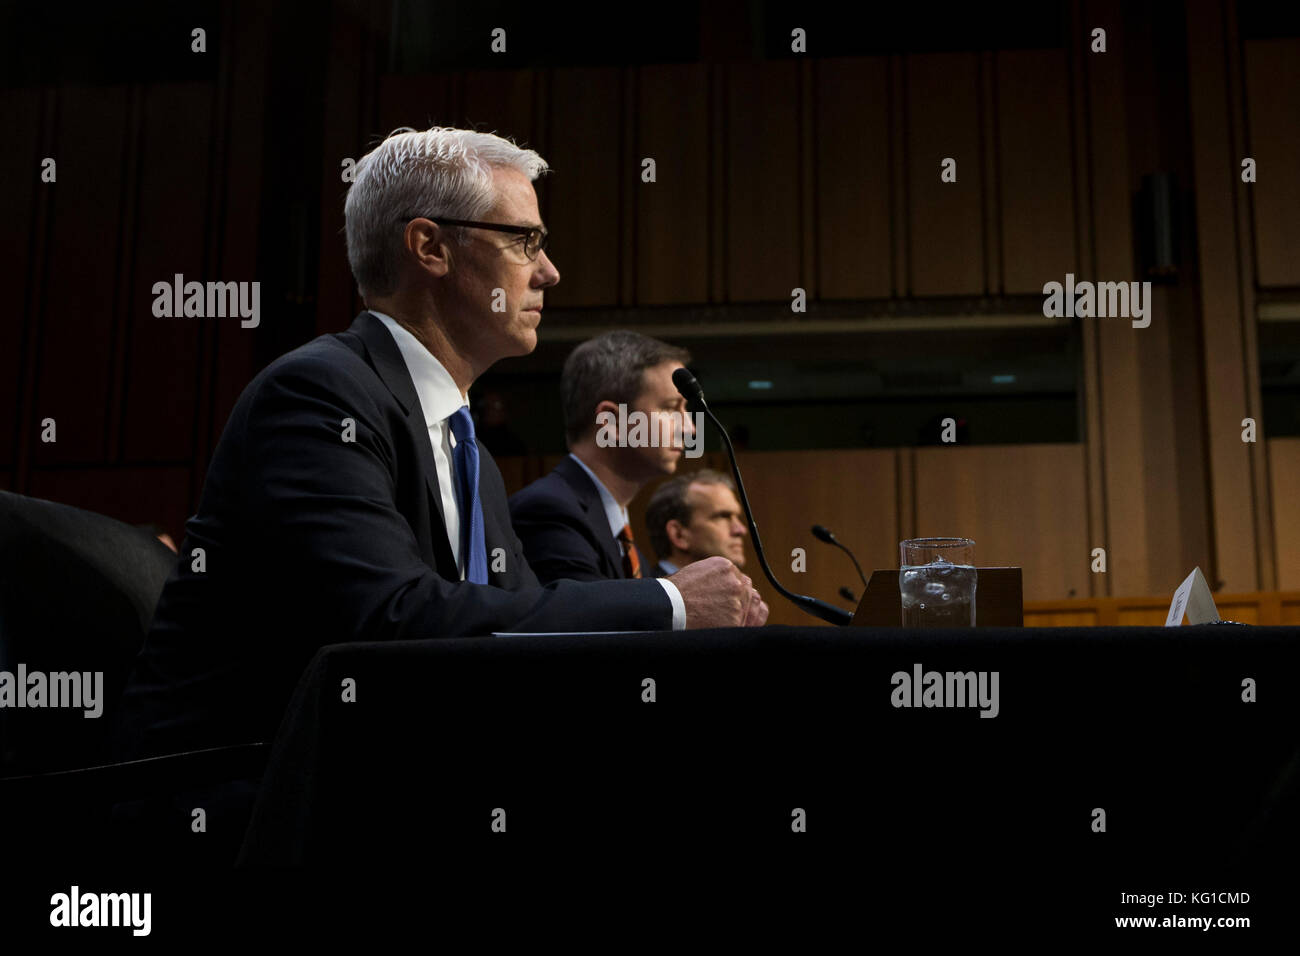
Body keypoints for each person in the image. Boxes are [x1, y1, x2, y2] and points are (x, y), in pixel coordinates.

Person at [108, 127, 767, 861]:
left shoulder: (470, 451)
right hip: (238, 805)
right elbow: (390, 621)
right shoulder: (321, 394)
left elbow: (519, 632)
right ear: (431, 247)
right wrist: (671, 605)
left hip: (380, 780)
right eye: (524, 241)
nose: (548, 271)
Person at [509, 331, 695, 584]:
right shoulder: (547, 510)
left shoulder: (619, 534)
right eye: (671, 408)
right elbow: (591, 621)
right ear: (611, 422)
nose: (689, 428)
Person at [644, 469, 748, 577]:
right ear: (678, 534)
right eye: (722, 516)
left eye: (737, 517)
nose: (740, 529)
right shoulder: (648, 592)